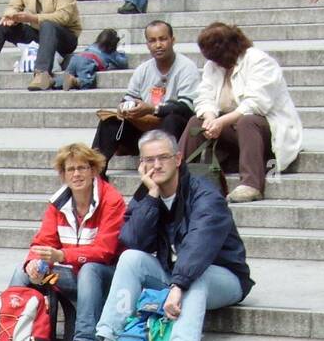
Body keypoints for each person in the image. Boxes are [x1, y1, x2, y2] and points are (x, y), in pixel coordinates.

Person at [75, 129, 253, 341]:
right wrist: (152, 197)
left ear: (178, 159)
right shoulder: (147, 193)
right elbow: (133, 240)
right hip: (173, 274)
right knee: (131, 259)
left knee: (196, 275)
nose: (156, 165)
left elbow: (199, 246)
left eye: (163, 158)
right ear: (141, 165)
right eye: (149, 160)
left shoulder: (205, 193)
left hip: (223, 277)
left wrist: (179, 285)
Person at [0, 142, 125, 341]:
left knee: (90, 269)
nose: (77, 174)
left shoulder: (111, 200)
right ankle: (4, 335)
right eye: (70, 169)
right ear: (63, 175)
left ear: (94, 171)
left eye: (82, 168)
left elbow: (105, 251)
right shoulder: (57, 203)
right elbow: (42, 242)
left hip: (105, 278)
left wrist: (62, 255)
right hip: (69, 276)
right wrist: (35, 262)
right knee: (23, 271)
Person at [177, 22, 303, 203]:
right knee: (196, 122)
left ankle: (251, 184)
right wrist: (210, 118)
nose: (214, 63)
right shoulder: (213, 66)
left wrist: (221, 122)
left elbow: (256, 103)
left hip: (267, 128)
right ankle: (177, 173)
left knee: (247, 121)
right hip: (231, 130)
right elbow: (204, 96)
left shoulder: (258, 60)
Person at [89, 19, 198, 174]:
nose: (158, 45)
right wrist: (125, 108)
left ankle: (163, 170)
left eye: (163, 39)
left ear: (173, 40)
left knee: (173, 118)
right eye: (152, 41)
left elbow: (187, 108)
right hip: (143, 131)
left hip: (173, 133)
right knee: (110, 122)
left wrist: (152, 109)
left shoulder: (187, 68)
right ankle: (95, 174)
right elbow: (128, 98)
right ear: (147, 44)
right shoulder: (143, 69)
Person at [54, 27, 128, 89]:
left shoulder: (93, 45)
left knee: (66, 76)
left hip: (75, 58)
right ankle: (74, 81)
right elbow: (123, 63)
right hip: (86, 63)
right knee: (88, 81)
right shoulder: (111, 53)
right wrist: (122, 53)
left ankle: (52, 81)